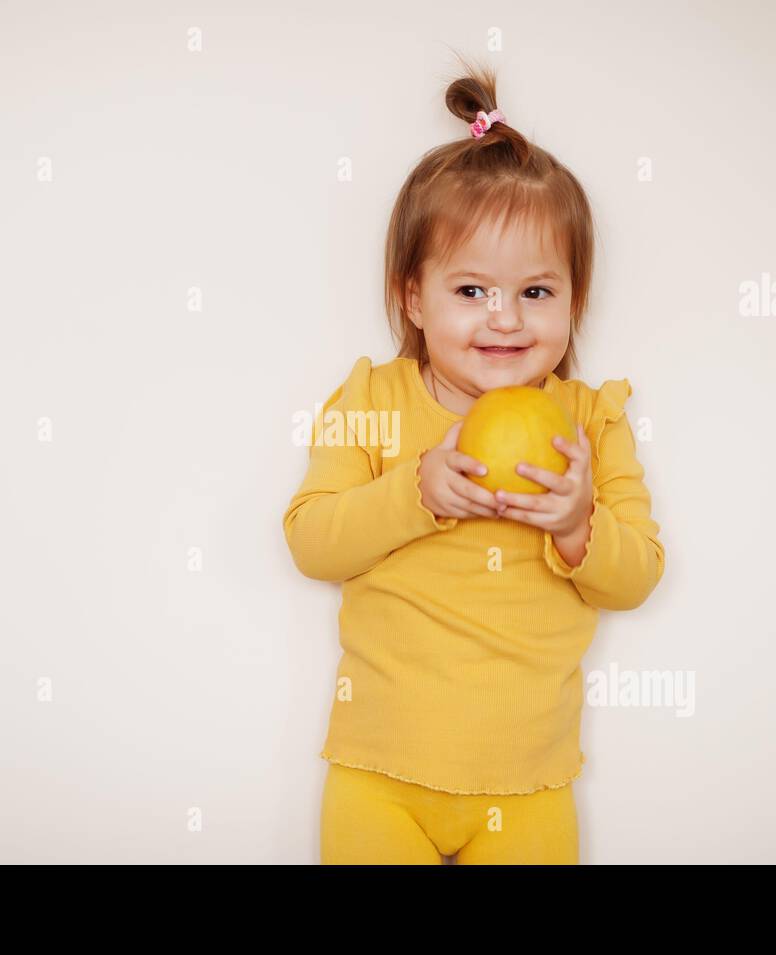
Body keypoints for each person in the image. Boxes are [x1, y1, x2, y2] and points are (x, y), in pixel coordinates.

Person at [282, 57, 666, 864]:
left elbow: (637, 577)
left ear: (573, 300)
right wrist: (414, 492)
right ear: (413, 297)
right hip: (379, 776)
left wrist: (576, 524)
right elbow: (312, 541)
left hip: (527, 785)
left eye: (535, 291)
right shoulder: (374, 401)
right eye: (470, 292)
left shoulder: (589, 421)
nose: (504, 319)